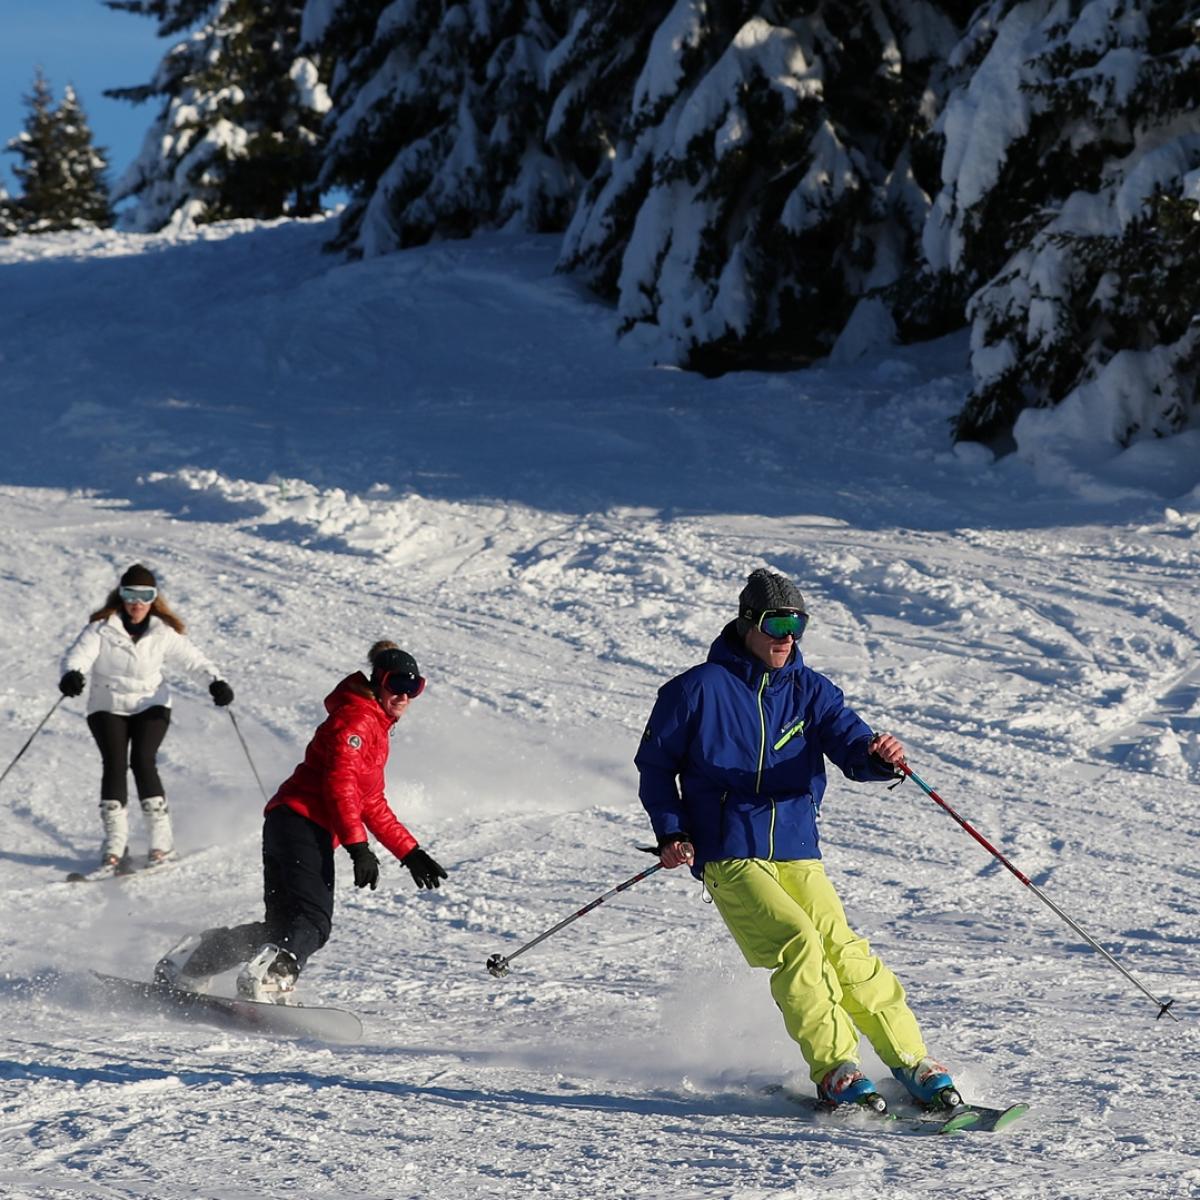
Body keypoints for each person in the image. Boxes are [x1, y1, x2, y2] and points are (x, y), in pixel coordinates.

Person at [635, 568, 958, 1112]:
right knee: (798, 942)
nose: (788, 637)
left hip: (795, 845)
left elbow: (852, 745)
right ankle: (836, 1069)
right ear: (746, 623)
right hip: (728, 848)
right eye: (777, 623)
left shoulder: (812, 691)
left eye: (798, 625)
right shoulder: (696, 689)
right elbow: (654, 767)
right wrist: (673, 831)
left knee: (844, 949)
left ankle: (912, 1060)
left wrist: (880, 758)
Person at [154, 640, 448, 1003]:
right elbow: (338, 786)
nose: (404, 695)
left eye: (413, 687)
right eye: (397, 685)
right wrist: (358, 848)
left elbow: (370, 800)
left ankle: (193, 961)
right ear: (378, 681)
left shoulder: (373, 724)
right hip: (303, 825)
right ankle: (269, 981)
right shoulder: (356, 721)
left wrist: (410, 852)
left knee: (282, 928)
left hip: (288, 823)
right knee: (312, 923)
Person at [59, 563, 234, 874]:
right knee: (114, 762)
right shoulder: (102, 629)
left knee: (142, 760)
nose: (137, 602)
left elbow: (193, 660)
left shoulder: (161, 632)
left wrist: (215, 681)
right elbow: (78, 655)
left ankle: (161, 842)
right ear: (120, 596)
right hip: (107, 704)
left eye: (145, 595)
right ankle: (115, 845)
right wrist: (73, 674)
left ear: (154, 599)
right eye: (130, 594)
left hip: (150, 704)